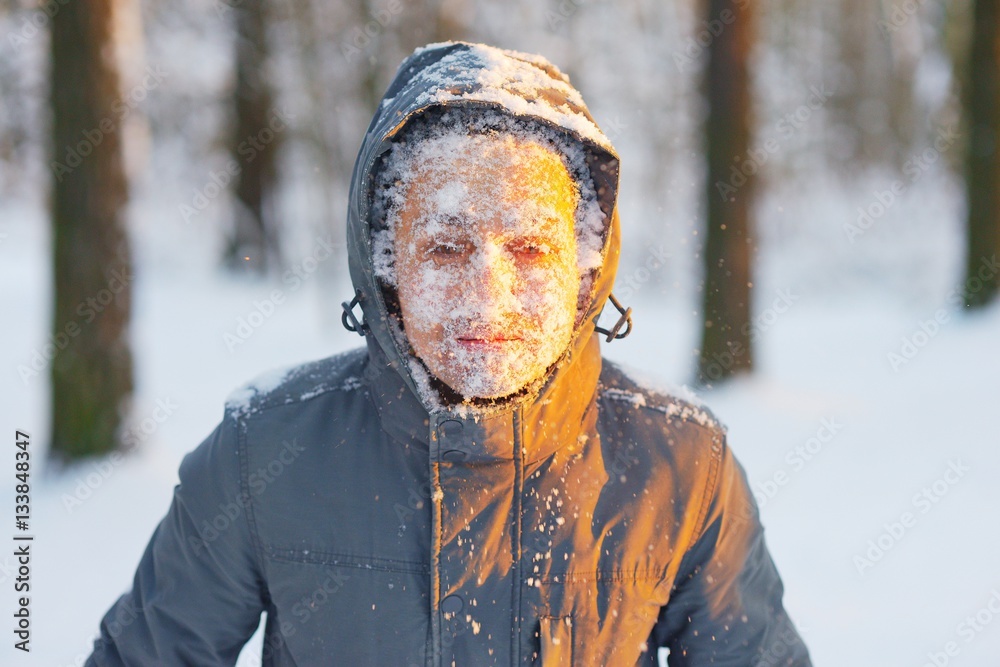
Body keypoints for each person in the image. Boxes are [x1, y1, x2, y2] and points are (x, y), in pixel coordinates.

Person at [86, 41, 811, 667]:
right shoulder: (262, 455)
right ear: (384, 263)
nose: (485, 296)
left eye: (529, 249)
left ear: (586, 270)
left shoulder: (678, 466)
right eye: (444, 246)